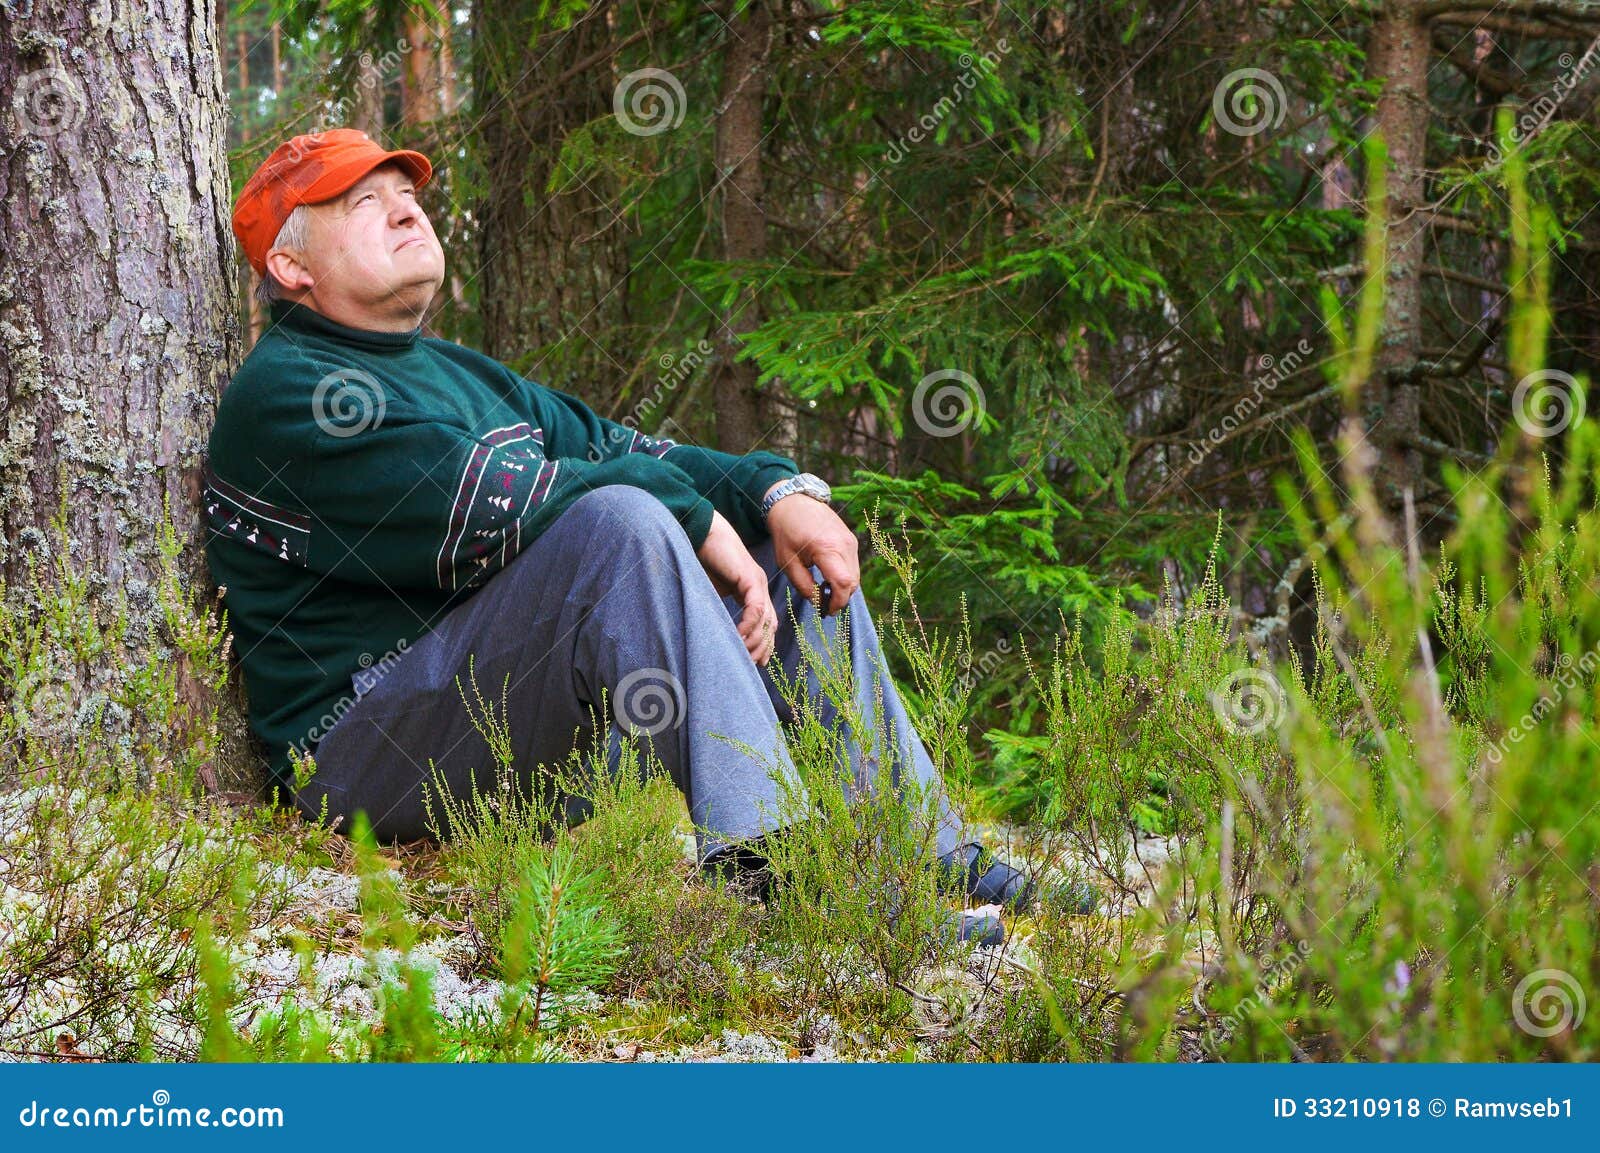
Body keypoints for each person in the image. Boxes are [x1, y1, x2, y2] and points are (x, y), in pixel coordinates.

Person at [208, 129, 1066, 946]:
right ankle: (779, 871)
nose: (405, 211)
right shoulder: (291, 394)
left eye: (406, 194)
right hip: (363, 754)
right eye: (362, 202)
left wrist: (776, 493)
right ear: (290, 264)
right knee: (617, 525)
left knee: (780, 553)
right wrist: (697, 522)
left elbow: (626, 448)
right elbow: (523, 498)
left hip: (495, 725)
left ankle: (928, 848)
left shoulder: (454, 370)